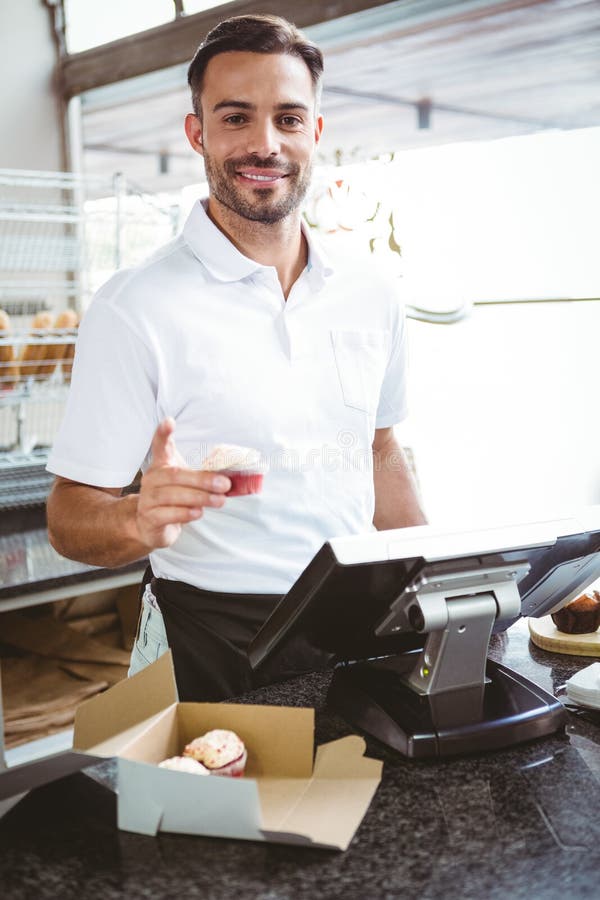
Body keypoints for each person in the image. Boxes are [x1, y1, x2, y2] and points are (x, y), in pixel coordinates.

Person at [46, 14, 427, 700]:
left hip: (362, 625)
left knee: (378, 807)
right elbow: (70, 515)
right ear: (198, 133)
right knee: (219, 809)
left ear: (315, 130)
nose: (264, 144)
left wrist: (434, 579)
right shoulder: (134, 307)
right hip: (212, 642)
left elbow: (380, 449)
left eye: (287, 118)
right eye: (236, 118)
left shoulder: (371, 293)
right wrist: (136, 519)